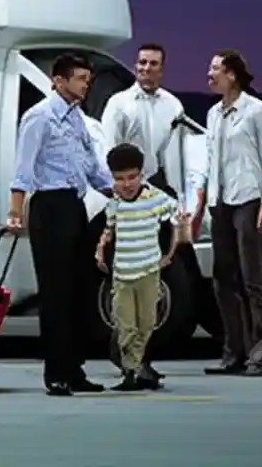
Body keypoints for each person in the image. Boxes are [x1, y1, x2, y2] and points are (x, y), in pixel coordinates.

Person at [4, 52, 114, 396]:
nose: (86, 85)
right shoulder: (39, 117)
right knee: (55, 293)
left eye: (87, 80)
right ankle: (56, 372)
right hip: (49, 207)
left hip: (74, 206)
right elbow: (23, 170)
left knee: (78, 290)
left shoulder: (77, 118)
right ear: (59, 80)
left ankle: (75, 369)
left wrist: (123, 192)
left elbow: (91, 167)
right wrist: (14, 214)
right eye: (80, 79)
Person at [190, 49, 262, 377]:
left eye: (215, 68)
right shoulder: (213, 114)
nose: (209, 74)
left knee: (253, 279)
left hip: (248, 199)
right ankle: (234, 353)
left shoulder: (256, 111)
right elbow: (209, 161)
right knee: (223, 280)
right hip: (221, 202)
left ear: (232, 74)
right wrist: (200, 207)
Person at [95, 143, 186, 391]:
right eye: (120, 179)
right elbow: (109, 229)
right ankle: (131, 370)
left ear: (141, 175)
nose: (127, 184)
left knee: (146, 323)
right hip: (122, 274)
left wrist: (169, 254)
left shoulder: (155, 199)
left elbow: (177, 218)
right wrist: (101, 249)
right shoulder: (114, 204)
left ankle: (137, 366)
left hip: (147, 272)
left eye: (132, 177)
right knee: (125, 325)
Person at [99, 43, 185, 199]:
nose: (147, 68)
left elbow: (175, 155)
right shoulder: (118, 103)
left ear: (161, 70)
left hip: (159, 188)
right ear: (136, 67)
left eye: (153, 63)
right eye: (142, 62)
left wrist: (178, 193)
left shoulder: (173, 105)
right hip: (126, 188)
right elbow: (109, 148)